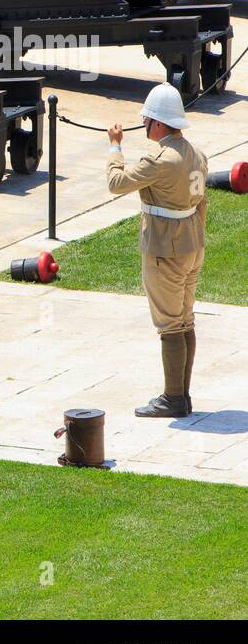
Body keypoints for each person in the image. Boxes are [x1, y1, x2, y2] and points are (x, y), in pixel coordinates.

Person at [105, 82, 207, 418]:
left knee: (170, 325)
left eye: (147, 119)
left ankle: (173, 399)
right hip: (192, 246)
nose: (145, 123)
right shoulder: (195, 153)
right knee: (185, 321)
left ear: (158, 123)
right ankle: (182, 395)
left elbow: (116, 183)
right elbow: (201, 203)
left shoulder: (161, 158)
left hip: (166, 250)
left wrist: (115, 148)